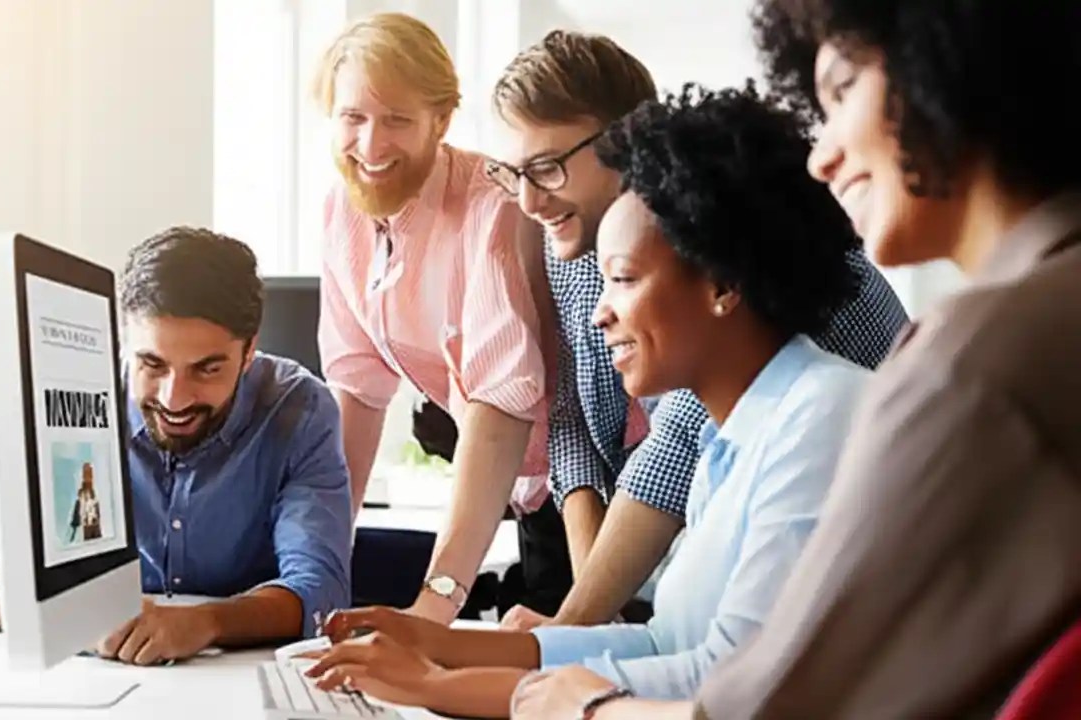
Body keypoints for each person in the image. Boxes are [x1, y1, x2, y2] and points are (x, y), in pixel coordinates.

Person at [510, 2, 1081, 718]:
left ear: (949, 69)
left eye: (842, 93)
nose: (823, 155)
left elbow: (774, 705)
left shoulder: (975, 363)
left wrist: (588, 706)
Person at [305, 83, 875, 716]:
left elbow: (729, 681)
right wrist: (441, 643)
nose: (603, 313)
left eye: (625, 280)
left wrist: (435, 685)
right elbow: (663, 641)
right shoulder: (727, 438)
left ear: (724, 284)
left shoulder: (822, 415)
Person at [485, 30, 908, 631]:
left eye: (548, 168)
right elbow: (574, 419)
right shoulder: (573, 246)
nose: (528, 200)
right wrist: (583, 621)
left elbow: (677, 445)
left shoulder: (734, 245)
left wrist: (572, 627)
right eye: (512, 173)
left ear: (622, 143)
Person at [0, 227, 354, 665]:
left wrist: (208, 622)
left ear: (249, 351)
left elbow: (320, 593)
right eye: (152, 363)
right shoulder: (58, 392)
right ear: (124, 340)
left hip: (229, 682)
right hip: (85, 678)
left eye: (206, 369)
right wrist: (83, 623)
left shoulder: (300, 410)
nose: (173, 399)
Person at [314, 12, 571, 622]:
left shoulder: (493, 206)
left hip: (587, 486)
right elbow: (358, 390)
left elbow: (501, 401)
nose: (371, 146)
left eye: (397, 120)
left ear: (441, 120)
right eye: (353, 118)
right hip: (523, 494)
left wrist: (439, 600)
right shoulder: (340, 211)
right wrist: (322, 567)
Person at [68, 462, 102, 542]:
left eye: (89, 473)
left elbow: (97, 505)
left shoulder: (94, 490)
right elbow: (79, 506)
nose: (88, 476)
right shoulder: (82, 492)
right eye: (86, 473)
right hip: (87, 525)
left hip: (95, 524)